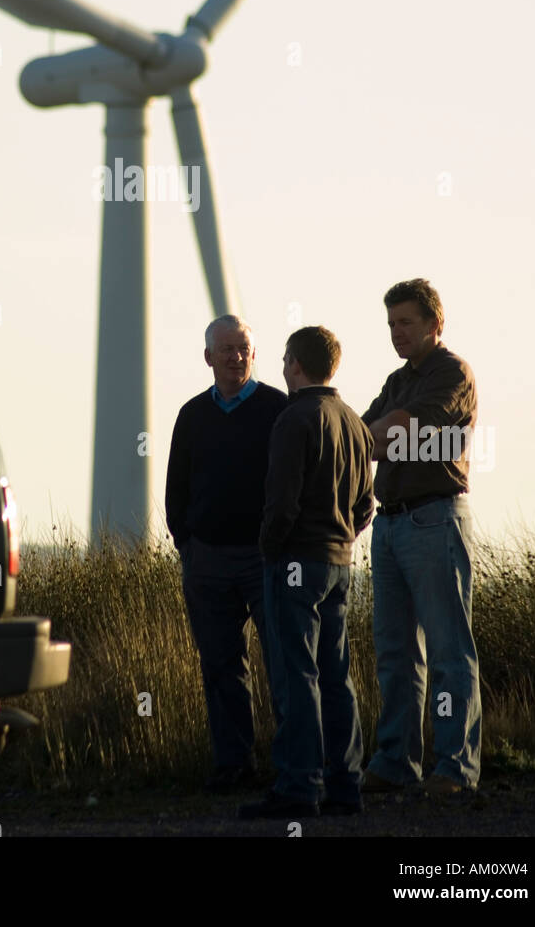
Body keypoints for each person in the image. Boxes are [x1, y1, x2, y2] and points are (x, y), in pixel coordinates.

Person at [239, 326, 374, 819]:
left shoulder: (294, 418)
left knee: (296, 673)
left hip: (295, 561)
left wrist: (271, 551)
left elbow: (281, 503)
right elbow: (366, 505)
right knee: (336, 674)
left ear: (295, 364)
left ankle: (299, 785)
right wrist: (342, 538)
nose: (280, 367)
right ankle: (345, 785)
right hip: (340, 562)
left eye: (283, 359)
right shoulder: (355, 423)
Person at [360, 278, 480, 796]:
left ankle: (456, 768)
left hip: (433, 520)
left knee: (449, 651)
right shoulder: (395, 379)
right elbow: (366, 437)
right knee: (395, 652)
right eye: (390, 324)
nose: (396, 332)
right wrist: (384, 433)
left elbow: (402, 429)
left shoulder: (451, 372)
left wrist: (386, 432)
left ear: (435, 323)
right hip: (388, 523)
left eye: (405, 322)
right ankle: (396, 761)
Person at [165, 314, 287, 792]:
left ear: (254, 356)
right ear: (208, 358)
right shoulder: (192, 415)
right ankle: (234, 764)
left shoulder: (278, 409)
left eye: (244, 349)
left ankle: (292, 764)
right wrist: (186, 544)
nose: (236, 357)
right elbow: (177, 486)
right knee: (219, 664)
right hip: (208, 560)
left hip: (264, 558)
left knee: (283, 661)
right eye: (227, 350)